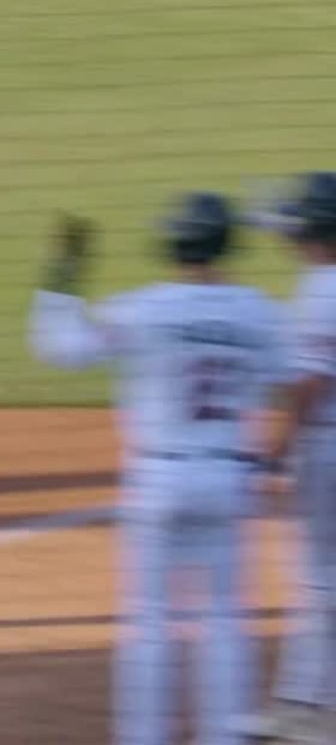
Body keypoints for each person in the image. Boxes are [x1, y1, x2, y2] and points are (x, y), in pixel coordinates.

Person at [27, 194, 287, 745]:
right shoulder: (258, 311)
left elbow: (58, 349)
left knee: (149, 621)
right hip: (228, 477)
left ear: (171, 242)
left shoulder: (144, 309)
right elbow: (290, 374)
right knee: (224, 620)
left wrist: (62, 275)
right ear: (227, 244)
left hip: (159, 480)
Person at [247, 171, 336, 744]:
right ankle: (303, 703)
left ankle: (307, 708)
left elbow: (310, 383)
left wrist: (276, 452)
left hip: (327, 445)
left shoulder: (321, 290)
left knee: (320, 579)